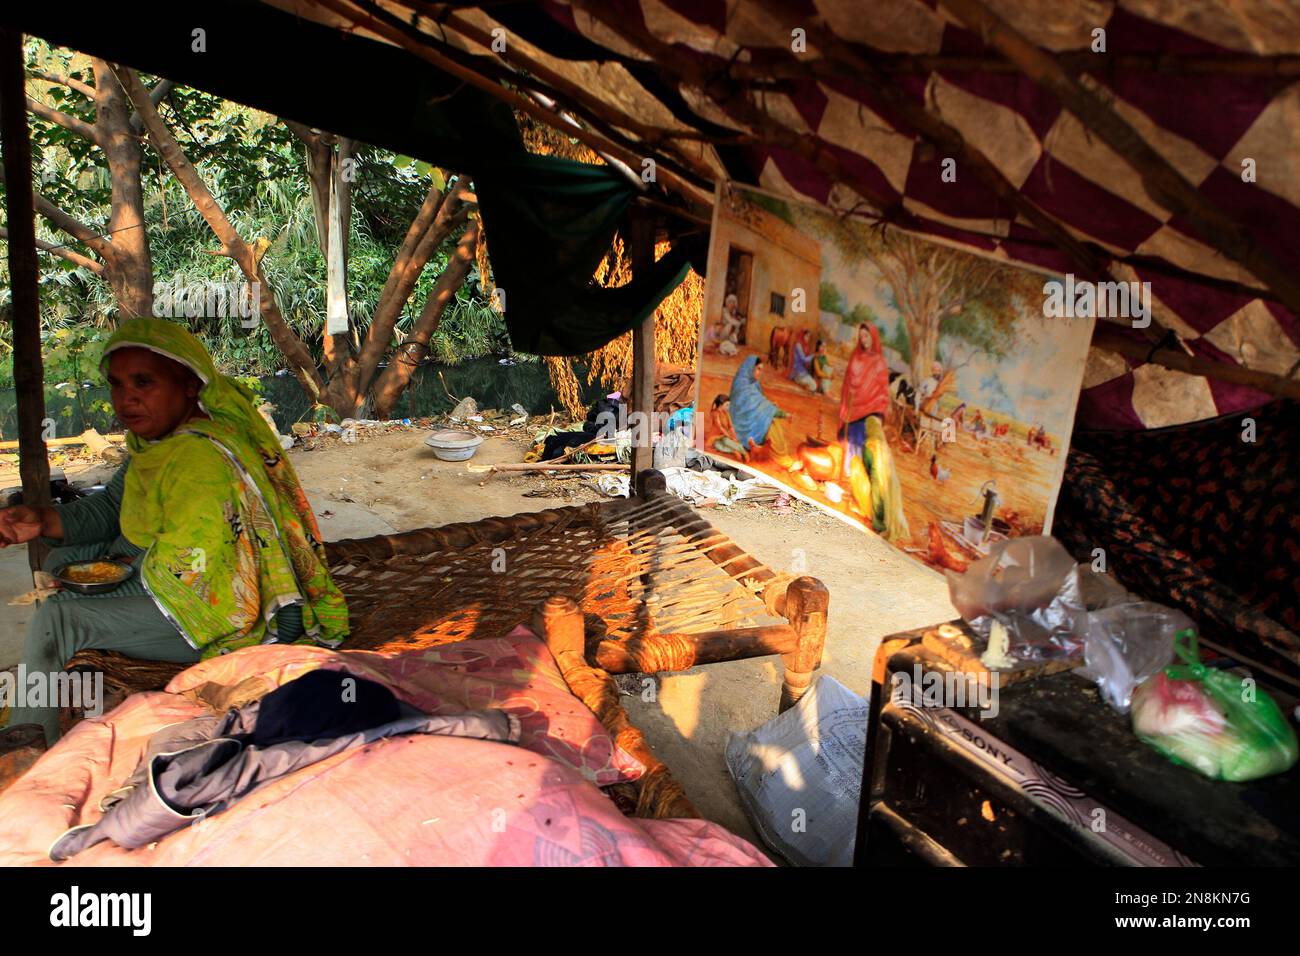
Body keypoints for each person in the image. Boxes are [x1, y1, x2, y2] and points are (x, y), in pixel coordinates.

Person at [0, 319, 348, 747]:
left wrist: (121, 566)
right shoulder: (156, 444)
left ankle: (25, 751)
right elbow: (113, 507)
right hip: (173, 578)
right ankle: (63, 701)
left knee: (57, 617)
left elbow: (201, 569)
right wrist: (42, 520)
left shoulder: (199, 458)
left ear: (188, 385)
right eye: (117, 384)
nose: (126, 398)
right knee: (58, 563)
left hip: (223, 612)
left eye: (144, 382)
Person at [838, 323, 909, 543]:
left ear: (873, 337)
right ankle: (855, 494)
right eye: (861, 336)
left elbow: (880, 390)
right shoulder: (855, 357)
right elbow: (849, 382)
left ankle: (869, 504)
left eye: (867, 335)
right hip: (854, 411)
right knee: (853, 457)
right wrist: (851, 390)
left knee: (870, 463)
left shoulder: (879, 362)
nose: (864, 339)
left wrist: (876, 412)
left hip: (870, 416)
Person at [729, 356, 794, 467]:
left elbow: (760, 402)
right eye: (758, 369)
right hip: (743, 426)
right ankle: (780, 457)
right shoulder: (742, 385)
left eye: (761, 370)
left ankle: (781, 454)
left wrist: (769, 406)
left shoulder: (754, 383)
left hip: (753, 418)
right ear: (751, 368)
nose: (760, 373)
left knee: (770, 418)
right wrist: (781, 413)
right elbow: (754, 405)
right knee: (771, 422)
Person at [708, 394, 749, 462]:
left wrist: (734, 437)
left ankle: (744, 452)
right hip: (715, 437)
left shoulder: (726, 413)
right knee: (719, 445)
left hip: (724, 436)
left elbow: (731, 427)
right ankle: (735, 451)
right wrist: (730, 437)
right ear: (721, 405)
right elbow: (720, 428)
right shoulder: (715, 413)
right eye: (727, 405)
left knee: (728, 441)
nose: (728, 407)